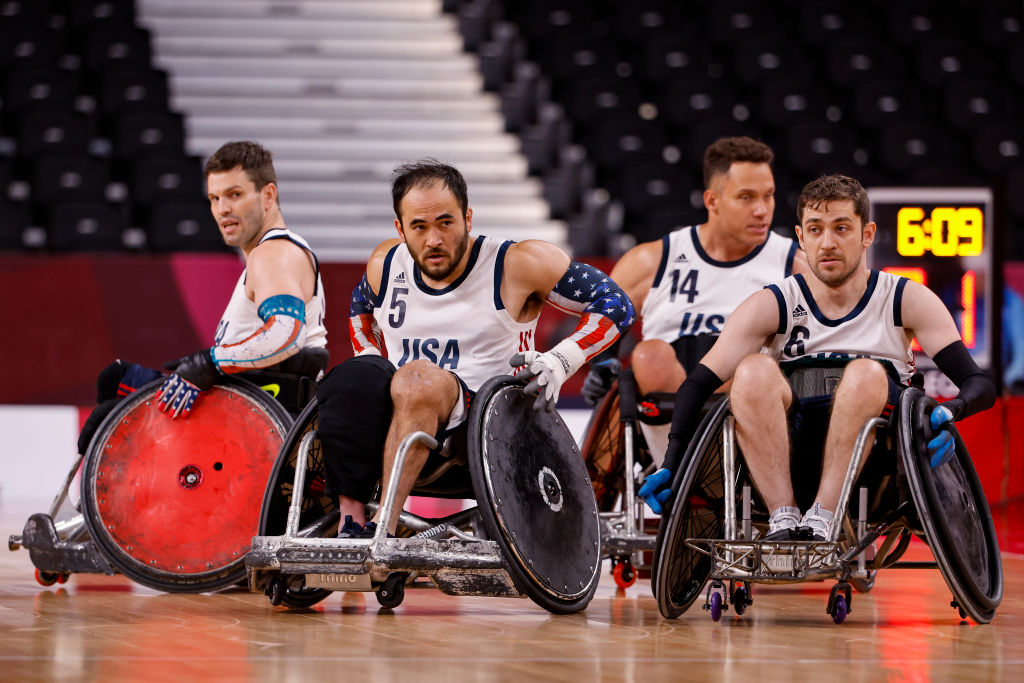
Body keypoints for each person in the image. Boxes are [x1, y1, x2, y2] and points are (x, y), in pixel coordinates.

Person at [638, 174, 995, 542]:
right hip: (789, 452)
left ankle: (823, 517)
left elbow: (978, 383)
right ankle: (784, 518)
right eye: (815, 229)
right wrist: (672, 463)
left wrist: (951, 411)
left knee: (865, 373)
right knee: (752, 369)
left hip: (877, 458)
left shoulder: (905, 298)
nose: (827, 243)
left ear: (867, 234)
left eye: (841, 228)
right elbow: (698, 383)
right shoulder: (772, 303)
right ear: (801, 237)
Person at [316, 159, 634, 536]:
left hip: (489, 425)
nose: (434, 239)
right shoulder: (386, 263)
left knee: (418, 379)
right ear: (400, 229)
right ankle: (351, 521)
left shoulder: (517, 262)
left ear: (468, 219)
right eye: (419, 227)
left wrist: (562, 359)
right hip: (401, 417)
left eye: (445, 223)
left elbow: (616, 304)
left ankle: (384, 527)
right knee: (350, 377)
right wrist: (369, 358)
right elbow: (360, 308)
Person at [78, 141, 328, 453]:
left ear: (267, 196)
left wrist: (208, 364)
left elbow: (285, 335)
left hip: (257, 419)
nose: (223, 209)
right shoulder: (270, 255)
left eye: (234, 195)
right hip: (250, 407)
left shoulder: (273, 253)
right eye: (214, 198)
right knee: (119, 381)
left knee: (115, 398)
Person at [581, 136, 807, 463]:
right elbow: (599, 324)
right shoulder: (653, 260)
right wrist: (601, 366)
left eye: (768, 195)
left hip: (748, 404)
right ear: (712, 201)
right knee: (649, 354)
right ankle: (676, 470)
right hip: (664, 401)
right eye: (746, 197)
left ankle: (700, 471)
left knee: (750, 366)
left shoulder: (795, 265)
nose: (761, 210)